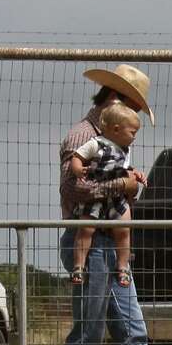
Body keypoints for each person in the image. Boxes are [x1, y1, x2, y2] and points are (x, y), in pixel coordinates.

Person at [45, 64, 172, 345]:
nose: (135, 119)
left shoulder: (114, 140)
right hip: (90, 242)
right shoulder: (82, 137)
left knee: (132, 328)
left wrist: (126, 183)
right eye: (134, 109)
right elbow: (73, 191)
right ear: (117, 100)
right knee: (90, 328)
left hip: (109, 243)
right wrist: (121, 187)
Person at [67, 102, 141, 288]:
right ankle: (79, 266)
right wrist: (77, 169)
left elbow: (125, 170)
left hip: (117, 198)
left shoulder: (125, 151)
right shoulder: (95, 143)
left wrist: (137, 174)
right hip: (97, 195)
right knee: (86, 229)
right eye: (133, 132)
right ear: (116, 129)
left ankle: (123, 266)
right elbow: (77, 156)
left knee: (124, 230)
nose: (135, 137)